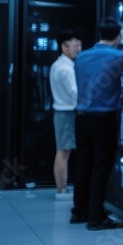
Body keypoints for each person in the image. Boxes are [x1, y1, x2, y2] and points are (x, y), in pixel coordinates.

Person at [71, 17, 123, 230]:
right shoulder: (121, 55)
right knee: (101, 167)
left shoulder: (81, 56)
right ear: (119, 35)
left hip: (81, 118)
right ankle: (97, 218)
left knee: (82, 165)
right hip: (104, 119)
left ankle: (79, 212)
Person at [49, 29, 81, 200]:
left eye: (79, 45)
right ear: (64, 46)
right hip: (67, 113)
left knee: (63, 150)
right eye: (75, 45)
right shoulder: (66, 68)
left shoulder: (58, 64)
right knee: (63, 152)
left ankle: (62, 189)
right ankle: (62, 190)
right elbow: (75, 93)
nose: (78, 49)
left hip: (61, 112)